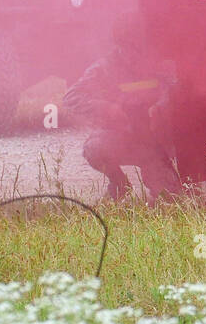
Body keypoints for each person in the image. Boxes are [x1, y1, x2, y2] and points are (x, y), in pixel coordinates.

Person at [64, 12, 180, 202]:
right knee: (94, 148)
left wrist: (160, 108)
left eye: (140, 44)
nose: (137, 52)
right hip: (123, 140)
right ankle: (119, 183)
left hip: (154, 145)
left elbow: (175, 89)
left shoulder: (158, 65)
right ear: (120, 44)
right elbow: (71, 97)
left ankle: (170, 178)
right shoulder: (105, 68)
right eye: (131, 45)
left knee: (174, 201)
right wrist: (107, 108)